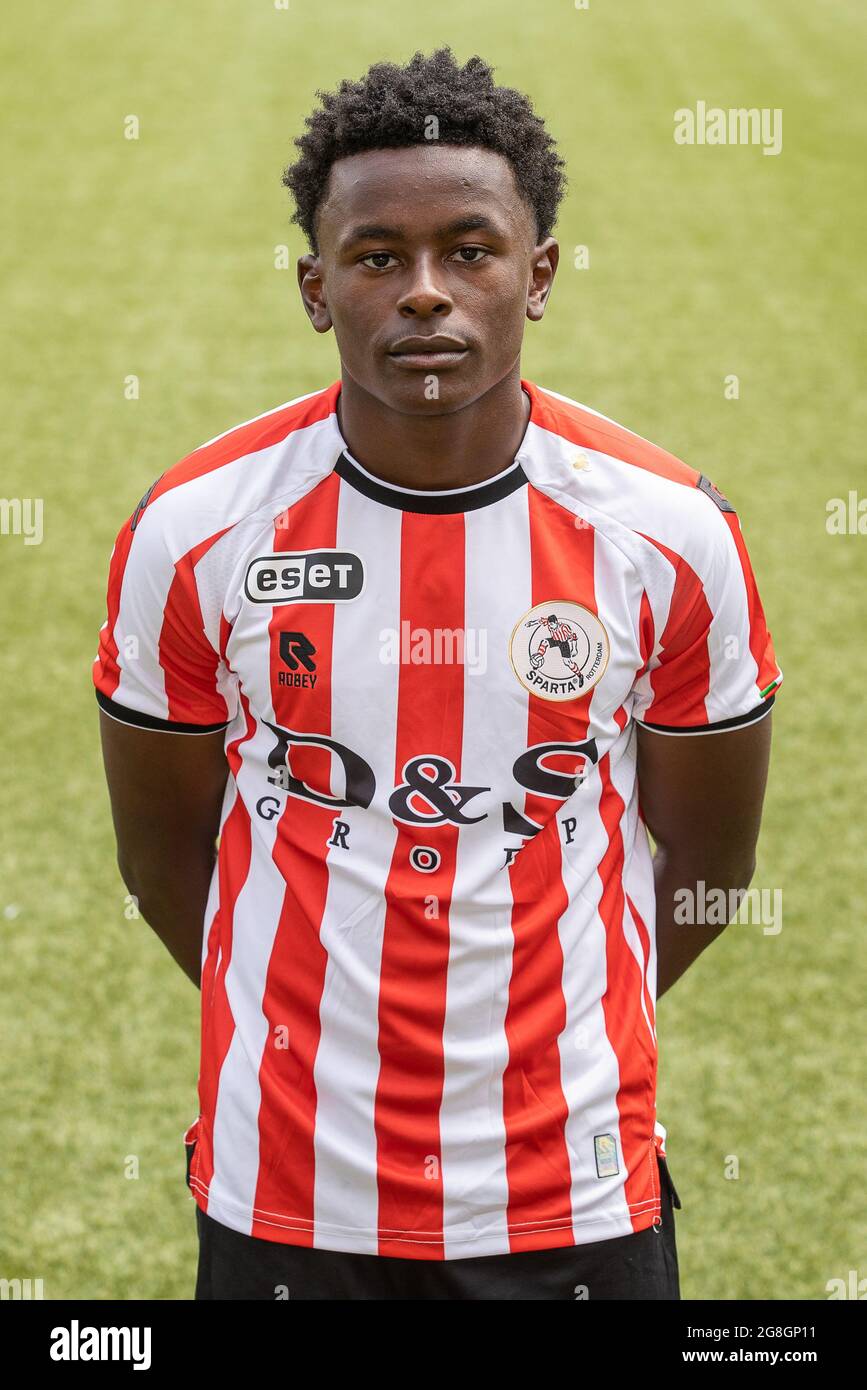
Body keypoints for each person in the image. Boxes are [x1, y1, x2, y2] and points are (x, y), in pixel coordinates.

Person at [93, 47, 782, 1300]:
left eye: (470, 250)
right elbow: (162, 858)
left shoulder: (670, 533)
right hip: (285, 1184)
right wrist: (310, 1022)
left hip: (573, 1190)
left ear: (541, 273)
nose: (425, 294)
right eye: (376, 258)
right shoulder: (196, 532)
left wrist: (553, 1020)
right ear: (315, 288)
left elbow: (710, 870)